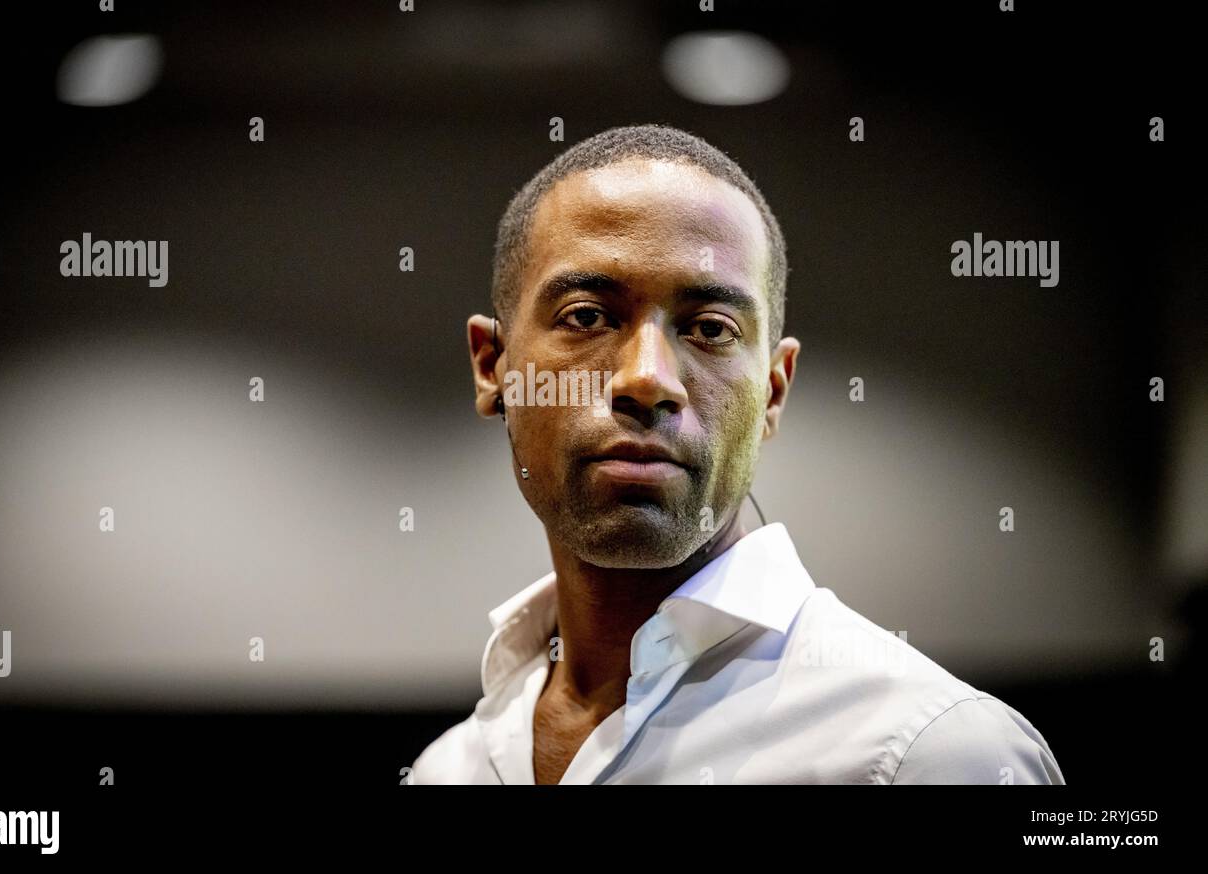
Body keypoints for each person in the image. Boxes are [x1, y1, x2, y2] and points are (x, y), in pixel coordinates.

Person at [408, 123, 1064, 785]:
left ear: (773, 391)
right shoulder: (448, 771)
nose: (647, 380)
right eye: (587, 316)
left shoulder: (932, 754)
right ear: (493, 367)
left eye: (709, 329)